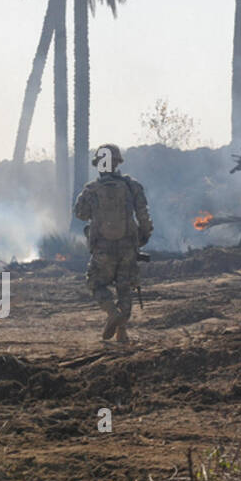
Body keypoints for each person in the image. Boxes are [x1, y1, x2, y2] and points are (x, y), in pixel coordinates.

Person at [73, 144, 153, 344]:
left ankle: (111, 312)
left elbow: (80, 214)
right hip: (128, 247)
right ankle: (122, 332)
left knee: (95, 283)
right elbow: (144, 216)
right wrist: (143, 237)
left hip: (102, 248)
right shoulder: (132, 186)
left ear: (98, 165)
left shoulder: (91, 189)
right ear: (117, 163)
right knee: (125, 288)